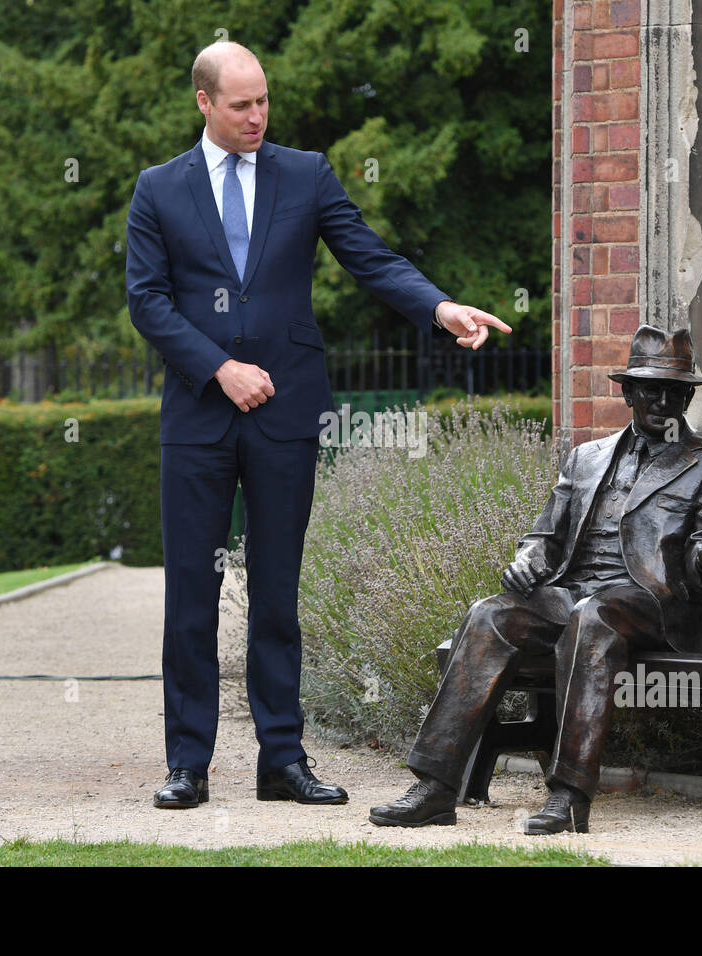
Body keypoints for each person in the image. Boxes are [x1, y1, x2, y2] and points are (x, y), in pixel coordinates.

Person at [126, 41, 511, 809]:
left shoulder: (306, 174)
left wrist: (439, 306)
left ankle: (283, 761)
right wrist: (219, 369)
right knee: (191, 598)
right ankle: (187, 766)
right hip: (198, 420)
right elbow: (148, 302)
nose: (257, 116)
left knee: (277, 593)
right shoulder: (157, 190)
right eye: (240, 105)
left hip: (287, 414)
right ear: (203, 102)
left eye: (263, 100)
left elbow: (369, 257)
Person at [370, 325, 702, 834]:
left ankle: (568, 796)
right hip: (573, 595)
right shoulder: (585, 458)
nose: (663, 400)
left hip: (652, 603)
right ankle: (435, 787)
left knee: (595, 617)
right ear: (628, 392)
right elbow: (545, 537)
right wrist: (527, 559)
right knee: (490, 614)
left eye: (675, 391)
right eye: (651, 388)